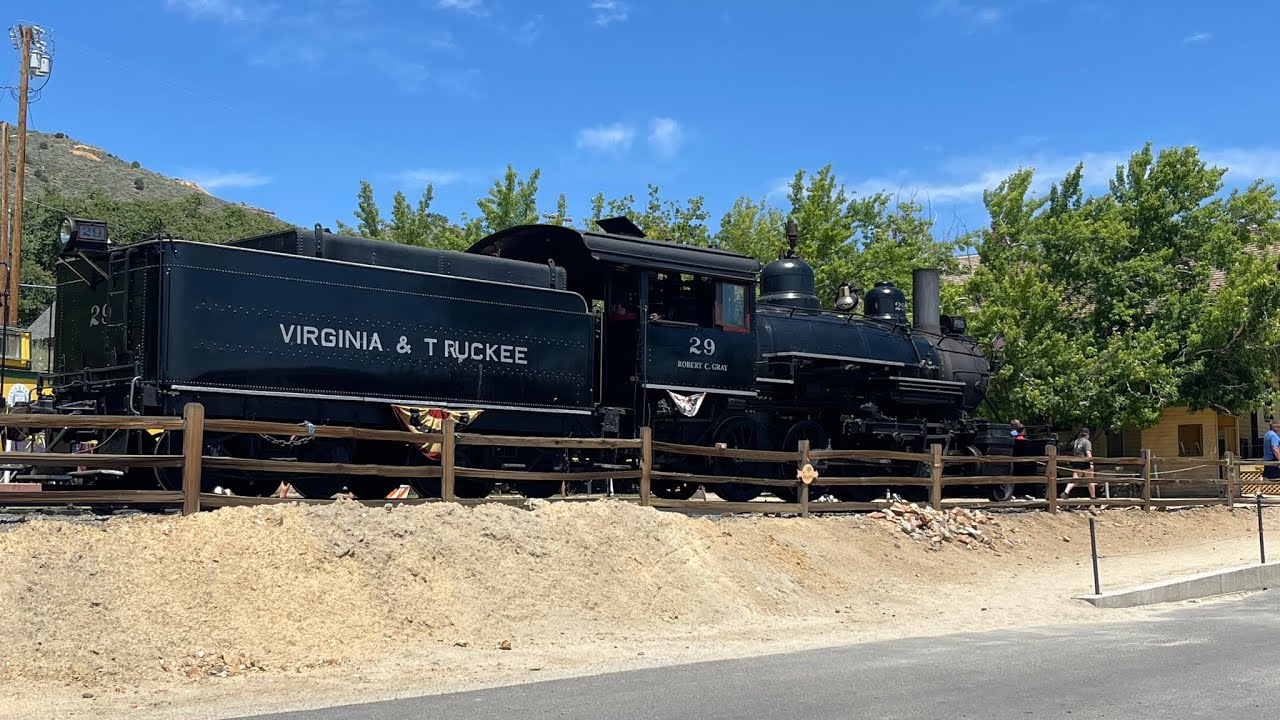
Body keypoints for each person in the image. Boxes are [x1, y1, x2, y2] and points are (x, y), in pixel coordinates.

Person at [1062, 427, 1095, 502]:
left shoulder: (1076, 441)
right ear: (1087, 434)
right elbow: (1088, 453)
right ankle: (1093, 497)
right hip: (1084, 462)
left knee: (1075, 480)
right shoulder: (1087, 442)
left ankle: (1066, 492)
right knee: (1091, 480)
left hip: (1076, 462)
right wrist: (1091, 463)